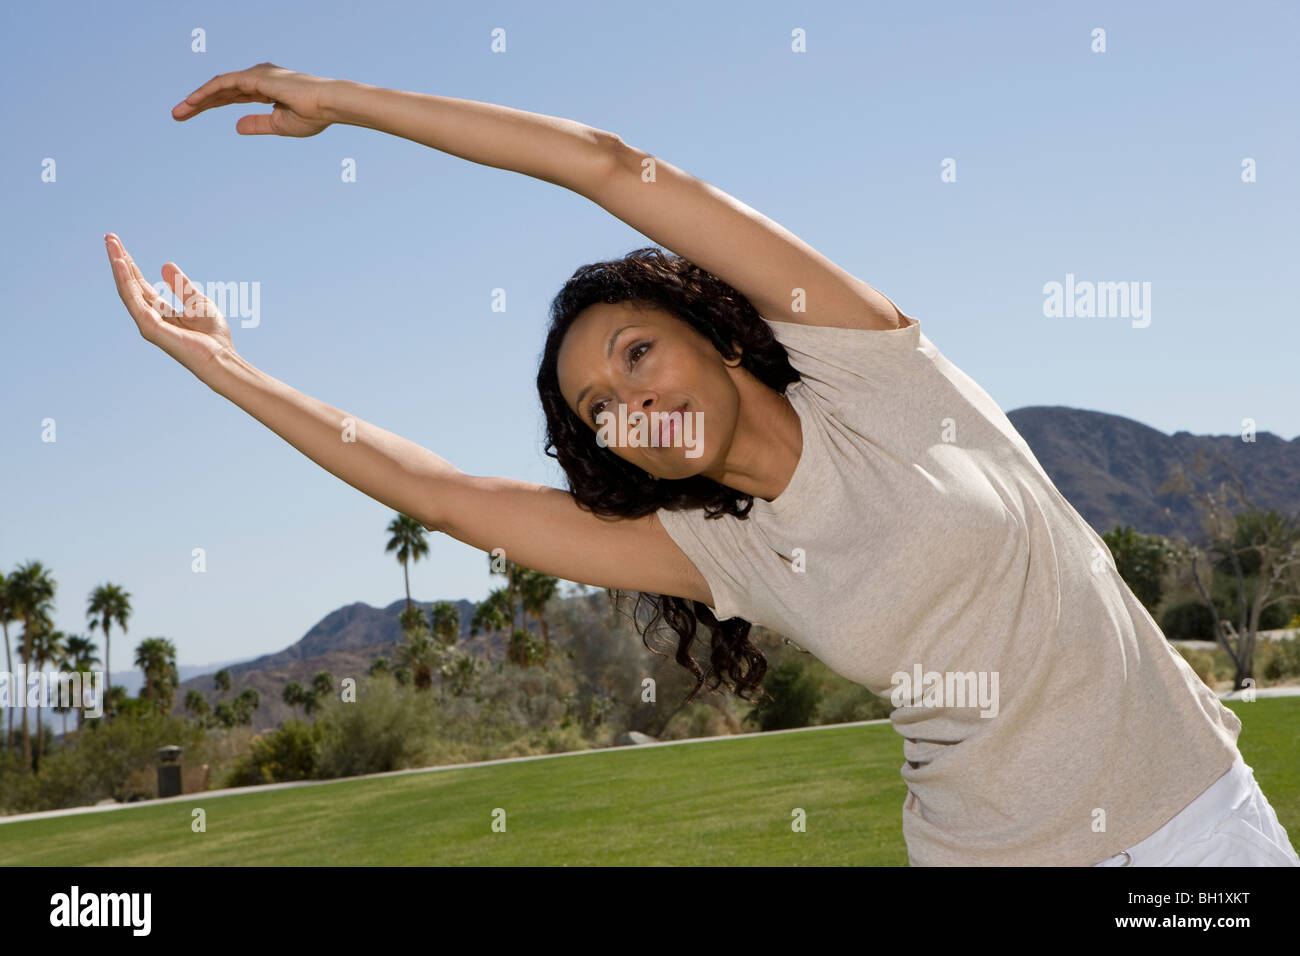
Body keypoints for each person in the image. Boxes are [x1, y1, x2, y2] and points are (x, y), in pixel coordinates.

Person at [105, 63, 1297, 866]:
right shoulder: (715, 548)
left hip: (1193, 826)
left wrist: (345, 102)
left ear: (721, 335)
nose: (631, 400)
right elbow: (437, 494)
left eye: (637, 352)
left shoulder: (875, 373)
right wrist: (223, 367)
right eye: (599, 407)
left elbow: (614, 167)